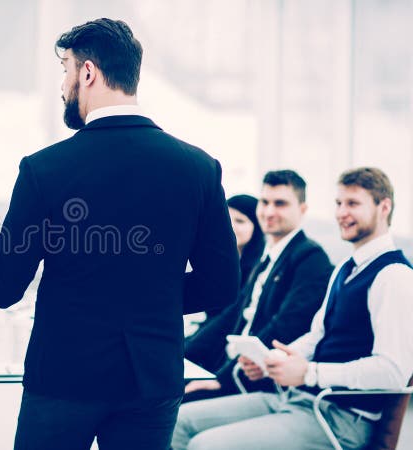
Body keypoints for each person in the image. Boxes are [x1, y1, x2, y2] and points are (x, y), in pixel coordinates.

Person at [0, 18, 240, 450]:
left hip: (64, 377)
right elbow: (222, 283)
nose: (63, 86)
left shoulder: (46, 169)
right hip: (151, 379)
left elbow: (2, 285)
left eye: (65, 70)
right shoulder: (199, 167)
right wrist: (154, 300)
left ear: (88, 73)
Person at [172, 167, 413, 450]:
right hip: (295, 398)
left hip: (339, 418)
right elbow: (316, 337)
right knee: (178, 421)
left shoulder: (394, 276)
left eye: (353, 204)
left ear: (384, 207)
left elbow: (394, 372)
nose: (341, 213)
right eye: (338, 203)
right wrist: (272, 361)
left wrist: (310, 373)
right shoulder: (346, 269)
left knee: (205, 445)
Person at [183, 170, 332, 402]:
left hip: (257, 381)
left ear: (302, 210)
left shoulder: (311, 258)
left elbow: (284, 327)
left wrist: (220, 380)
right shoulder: (268, 257)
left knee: (173, 407)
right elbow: (230, 317)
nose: (269, 211)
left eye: (280, 203)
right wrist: (181, 354)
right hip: (230, 367)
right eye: (265, 202)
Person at [183, 194, 264, 370]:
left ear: (257, 227)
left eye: (241, 221)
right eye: (227, 218)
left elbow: (226, 320)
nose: (232, 226)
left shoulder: (256, 271)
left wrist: (187, 349)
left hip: (222, 355)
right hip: (202, 342)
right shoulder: (218, 264)